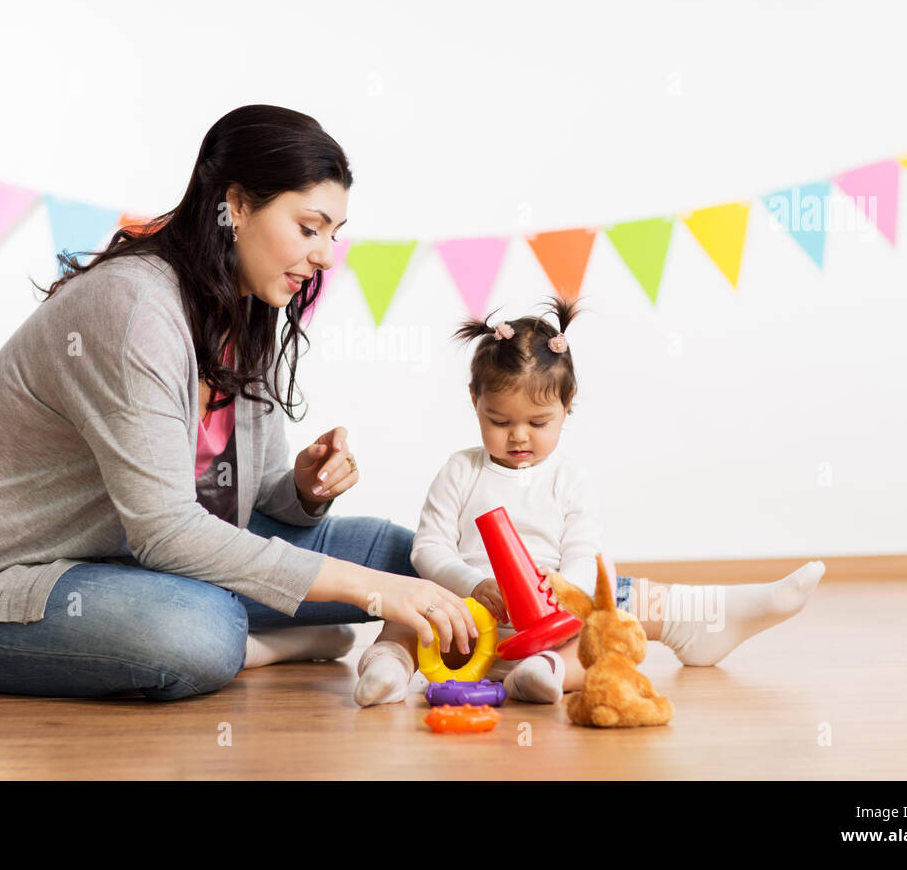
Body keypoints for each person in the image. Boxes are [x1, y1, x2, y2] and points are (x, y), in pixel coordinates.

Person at [0, 104, 480, 701]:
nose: (327, 256)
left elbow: (248, 501)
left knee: (403, 557)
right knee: (201, 631)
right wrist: (360, 591)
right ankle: (260, 645)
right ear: (237, 206)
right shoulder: (133, 311)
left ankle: (309, 640)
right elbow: (167, 531)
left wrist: (303, 490)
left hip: (128, 557)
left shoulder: (247, 307)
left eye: (334, 233)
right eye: (310, 228)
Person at [350, 295, 827, 706]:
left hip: (549, 622)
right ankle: (386, 669)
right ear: (473, 399)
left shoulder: (567, 479)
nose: (519, 436)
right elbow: (427, 549)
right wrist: (474, 586)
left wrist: (562, 589)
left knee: (604, 620)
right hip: (466, 623)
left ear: (567, 403)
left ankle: (552, 671)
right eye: (499, 421)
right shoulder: (461, 470)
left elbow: (583, 551)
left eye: (538, 423)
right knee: (409, 617)